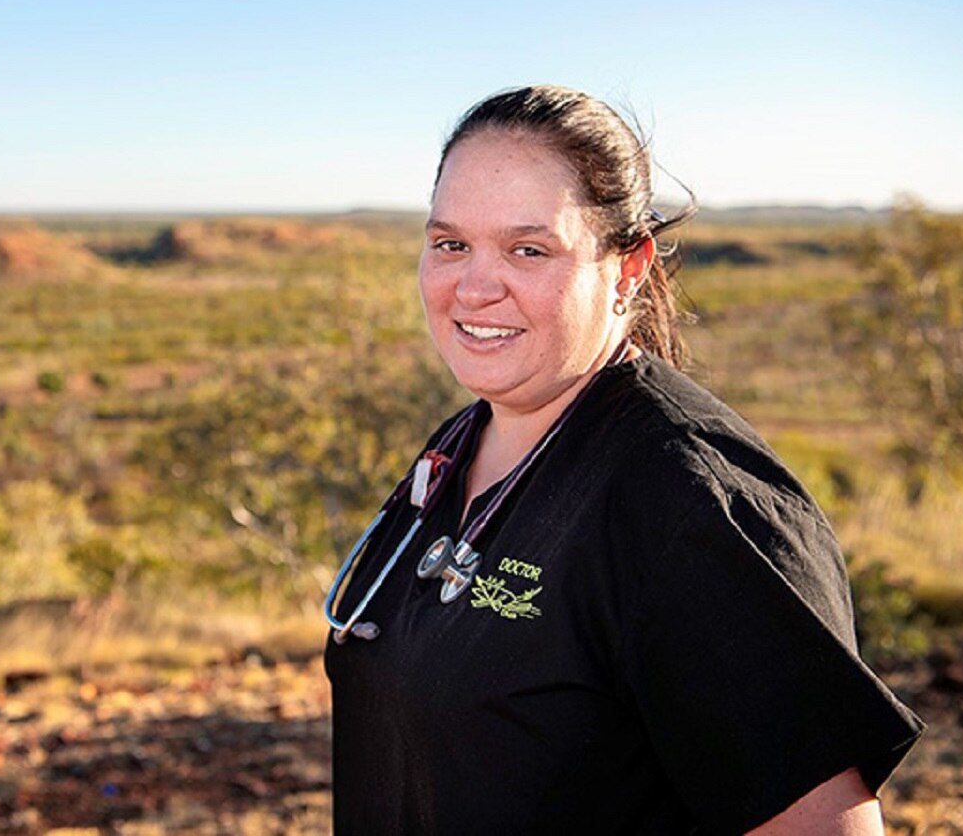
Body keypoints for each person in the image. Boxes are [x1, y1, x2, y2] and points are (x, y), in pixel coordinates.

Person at [323, 85, 924, 834]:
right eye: (450, 244)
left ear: (629, 268)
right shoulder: (461, 446)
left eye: (528, 249)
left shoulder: (687, 504)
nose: (473, 287)